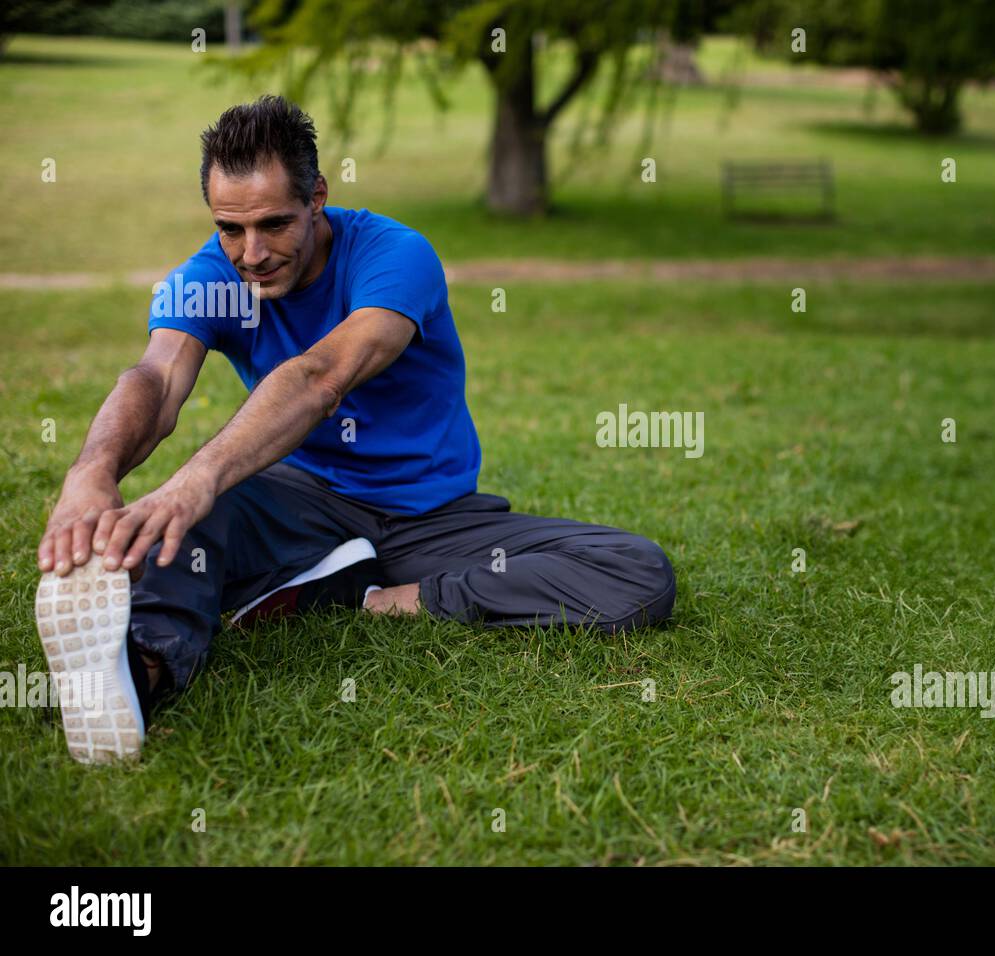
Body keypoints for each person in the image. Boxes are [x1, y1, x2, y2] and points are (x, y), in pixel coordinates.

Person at [34, 95, 676, 764]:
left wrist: (200, 477)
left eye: (275, 223)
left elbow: (320, 377)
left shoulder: (397, 254)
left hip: (431, 518)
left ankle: (372, 596)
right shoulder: (211, 275)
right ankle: (137, 674)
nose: (251, 254)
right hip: (300, 501)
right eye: (229, 228)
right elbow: (156, 378)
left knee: (639, 572)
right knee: (174, 524)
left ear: (317, 197)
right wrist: (92, 473)